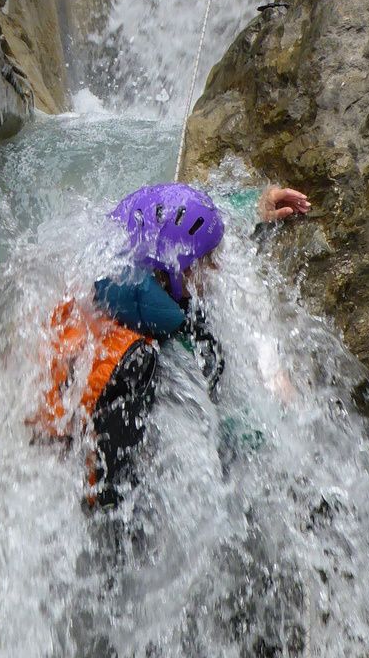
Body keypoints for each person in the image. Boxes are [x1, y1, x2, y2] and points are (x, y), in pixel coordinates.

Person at [35, 180, 309, 507]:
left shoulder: (127, 285)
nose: (218, 268)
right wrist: (270, 439)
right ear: (170, 271)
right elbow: (120, 489)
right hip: (98, 501)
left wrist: (254, 205)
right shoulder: (132, 362)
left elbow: (183, 216)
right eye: (207, 261)